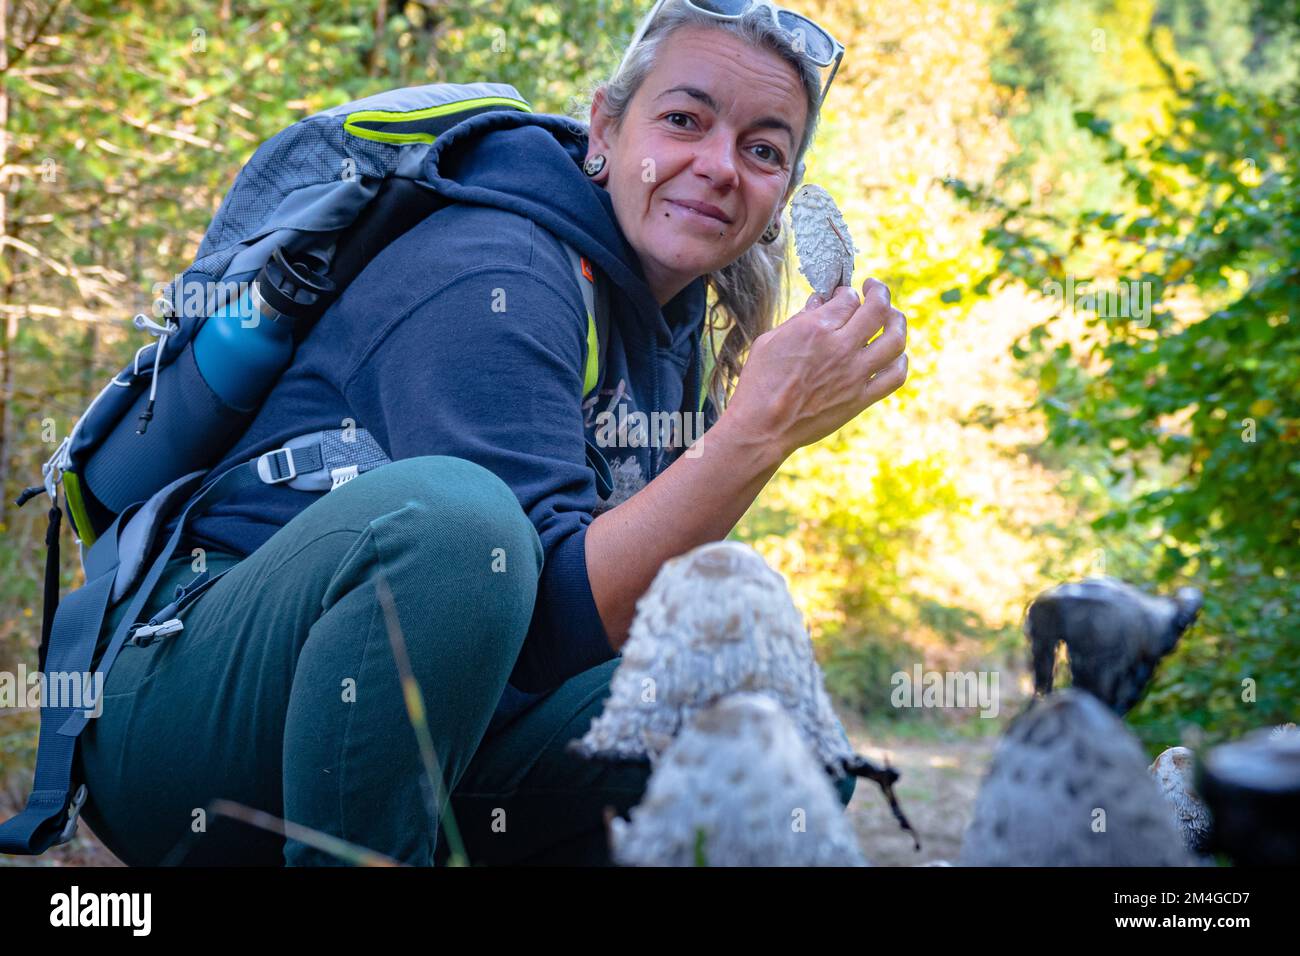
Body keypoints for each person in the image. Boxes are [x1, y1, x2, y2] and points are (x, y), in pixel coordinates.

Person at [76, 0, 909, 866]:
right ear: (605, 128)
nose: (719, 165)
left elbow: (605, 627)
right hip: (185, 724)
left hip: (432, 739)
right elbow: (543, 608)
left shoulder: (664, 323)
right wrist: (755, 433)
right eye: (683, 119)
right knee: (461, 528)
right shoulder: (496, 264)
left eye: (762, 149)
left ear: (782, 197)